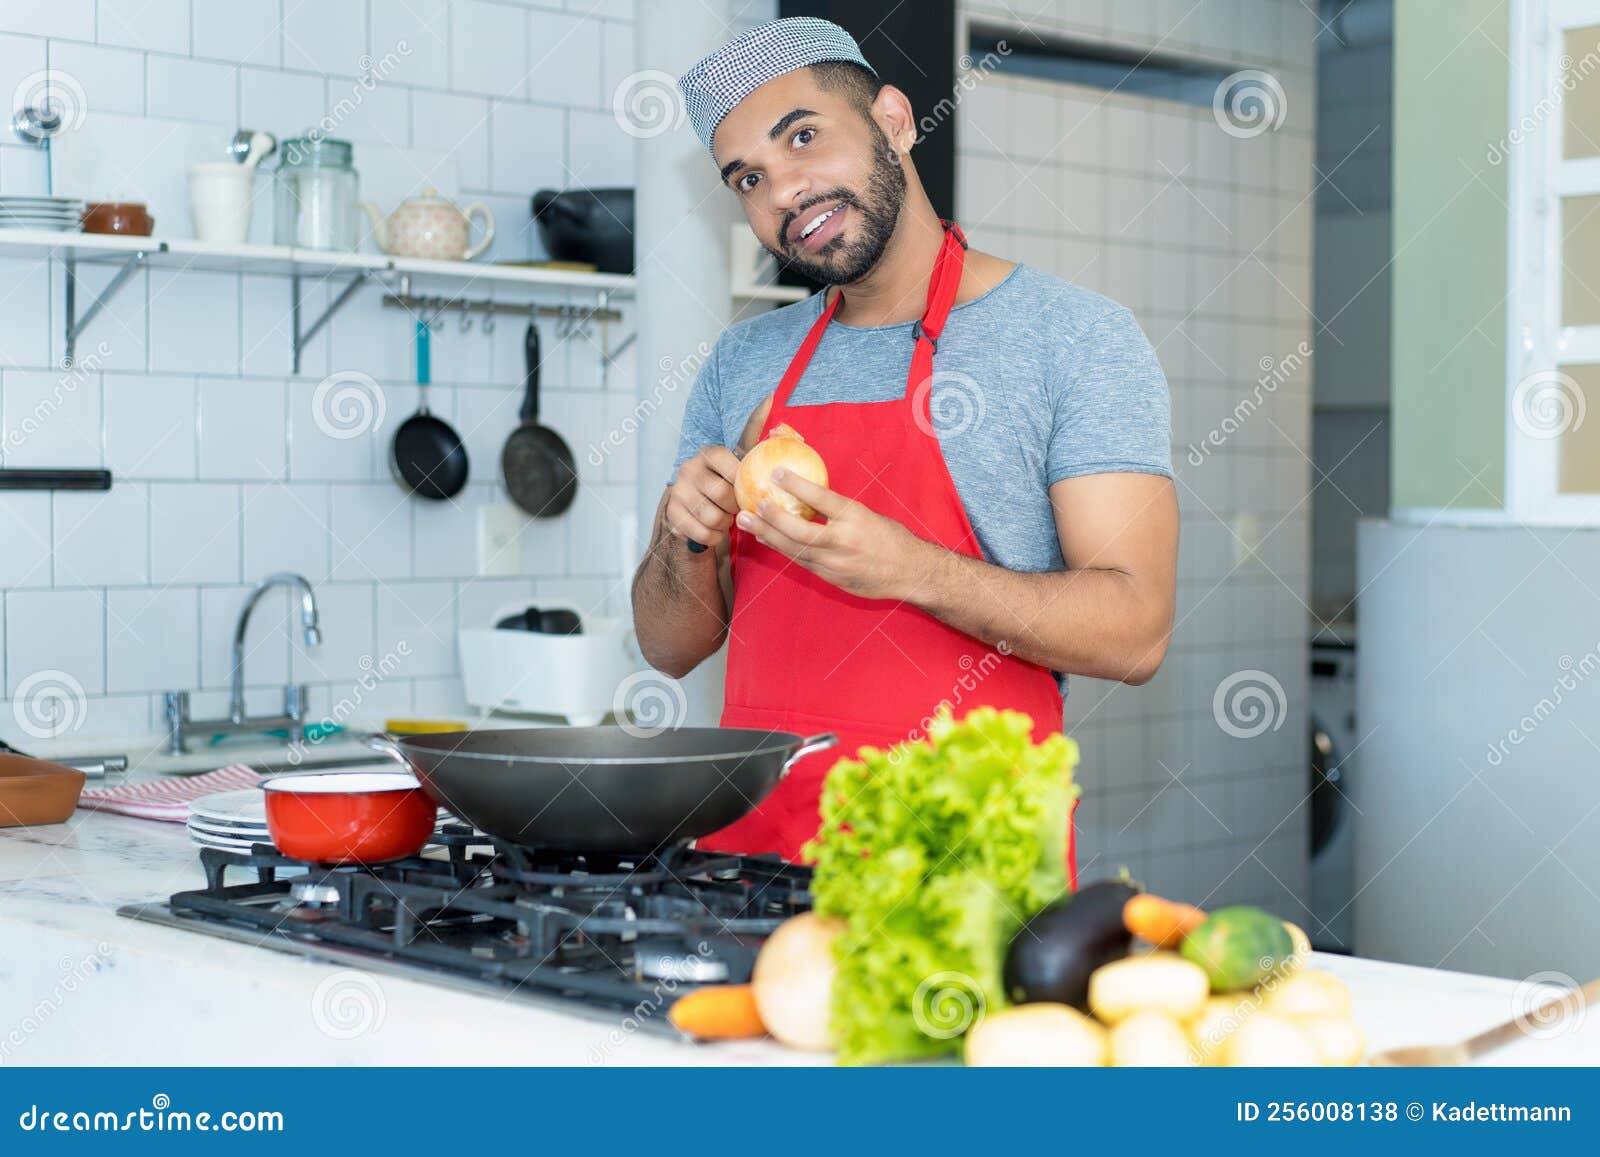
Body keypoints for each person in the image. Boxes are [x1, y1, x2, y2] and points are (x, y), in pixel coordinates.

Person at [631, 18, 1177, 864]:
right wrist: (683, 534)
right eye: (749, 178)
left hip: (966, 871)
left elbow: (1137, 631)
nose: (784, 193)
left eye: (804, 137)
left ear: (892, 117)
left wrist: (911, 569)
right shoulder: (744, 360)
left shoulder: (1074, 337)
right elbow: (670, 646)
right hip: (762, 862)